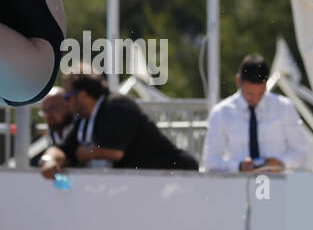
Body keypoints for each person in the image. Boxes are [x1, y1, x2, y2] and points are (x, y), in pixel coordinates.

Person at [39, 73, 200, 177]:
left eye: (67, 97)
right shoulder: (84, 119)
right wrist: (50, 160)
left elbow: (115, 151)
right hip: (143, 183)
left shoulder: (118, 105)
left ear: (83, 96)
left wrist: (89, 152)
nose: (67, 103)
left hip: (174, 174)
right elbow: (63, 148)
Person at [203, 54, 310, 172]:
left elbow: (303, 151)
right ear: (238, 81)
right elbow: (210, 161)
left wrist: (282, 163)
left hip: (278, 185)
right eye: (249, 94)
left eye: (260, 94)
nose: (255, 99)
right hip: (237, 186)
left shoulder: (284, 107)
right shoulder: (221, 113)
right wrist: (238, 166)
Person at [30, 86, 75, 165]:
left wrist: (50, 159)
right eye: (45, 110)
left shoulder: (80, 126)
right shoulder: (53, 130)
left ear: (68, 105)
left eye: (52, 108)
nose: (48, 115)